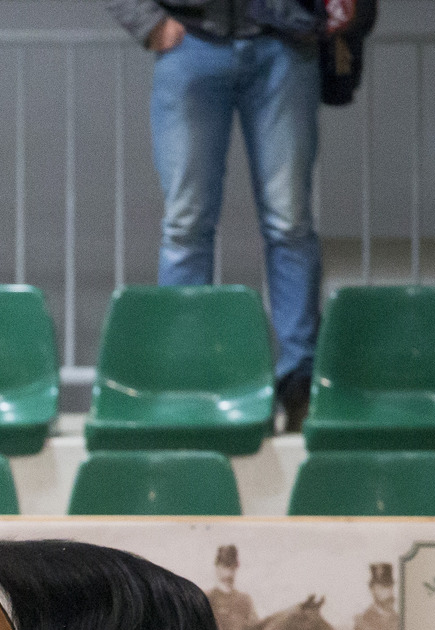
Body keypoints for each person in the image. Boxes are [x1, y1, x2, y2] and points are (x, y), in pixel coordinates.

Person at [107, 0, 331, 432]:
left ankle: (300, 385)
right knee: (186, 225)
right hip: (193, 42)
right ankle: (186, 381)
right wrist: (148, 21)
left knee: (289, 223)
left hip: (284, 40)